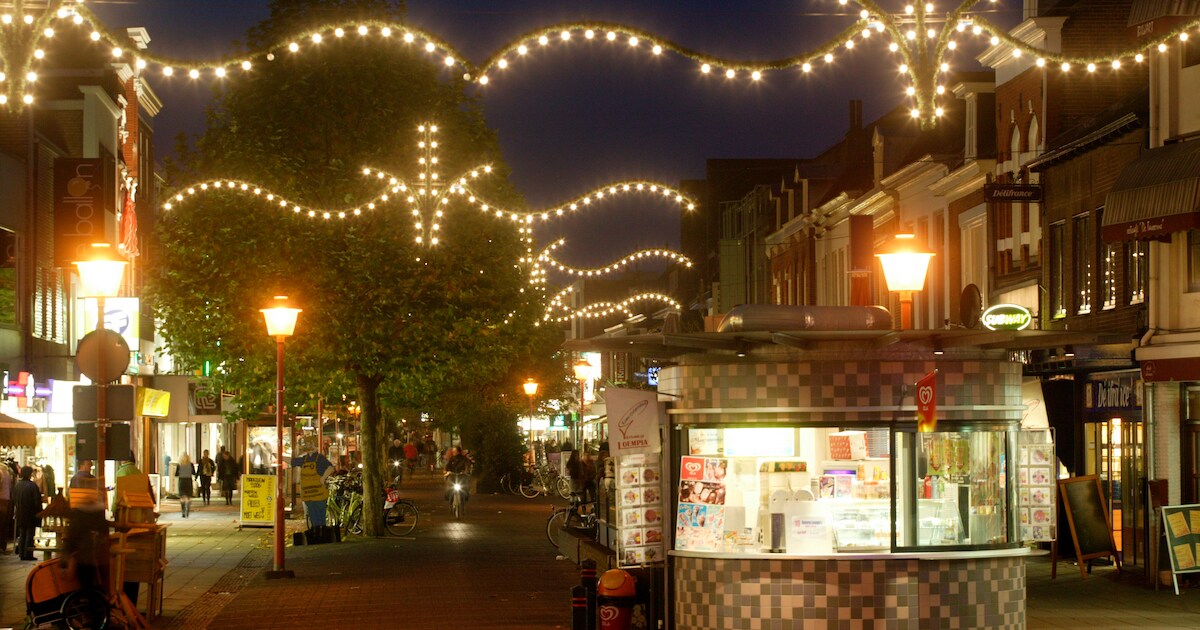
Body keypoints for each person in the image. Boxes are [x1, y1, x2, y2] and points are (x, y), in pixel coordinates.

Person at [12, 466, 41, 561]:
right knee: (29, 533)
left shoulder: (17, 485)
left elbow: (14, 499)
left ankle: (21, 553)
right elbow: (37, 502)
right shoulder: (32, 486)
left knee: (22, 533)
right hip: (30, 513)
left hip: (20, 513)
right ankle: (28, 553)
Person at [176, 453, 195, 518]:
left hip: (181, 481)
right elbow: (193, 473)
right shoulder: (191, 464)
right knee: (188, 496)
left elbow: (176, 474)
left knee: (182, 497)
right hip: (188, 481)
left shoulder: (179, 465)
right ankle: (187, 510)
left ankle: (183, 511)